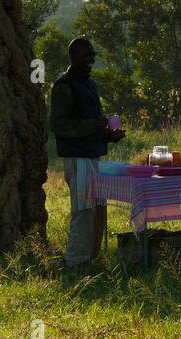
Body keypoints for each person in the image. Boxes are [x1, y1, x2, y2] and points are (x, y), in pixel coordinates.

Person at [50, 37, 125, 267]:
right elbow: (58, 125)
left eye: (92, 55)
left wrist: (107, 137)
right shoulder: (64, 86)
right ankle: (74, 262)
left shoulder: (89, 84)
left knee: (97, 211)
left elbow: (91, 124)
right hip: (77, 158)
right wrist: (92, 125)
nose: (91, 59)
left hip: (93, 157)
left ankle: (90, 259)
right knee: (83, 212)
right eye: (86, 55)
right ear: (73, 58)